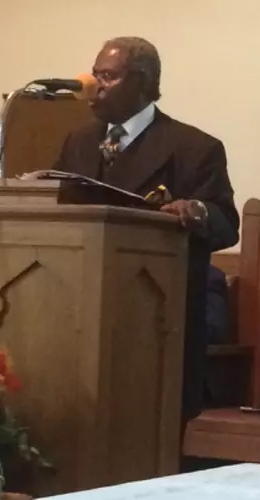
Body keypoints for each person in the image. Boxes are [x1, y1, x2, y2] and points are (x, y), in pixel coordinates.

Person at [54, 37, 239, 420]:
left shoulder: (193, 147)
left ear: (141, 82)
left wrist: (196, 210)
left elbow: (226, 224)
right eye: (95, 75)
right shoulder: (80, 140)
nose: (96, 85)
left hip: (155, 325)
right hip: (79, 317)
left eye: (109, 76)